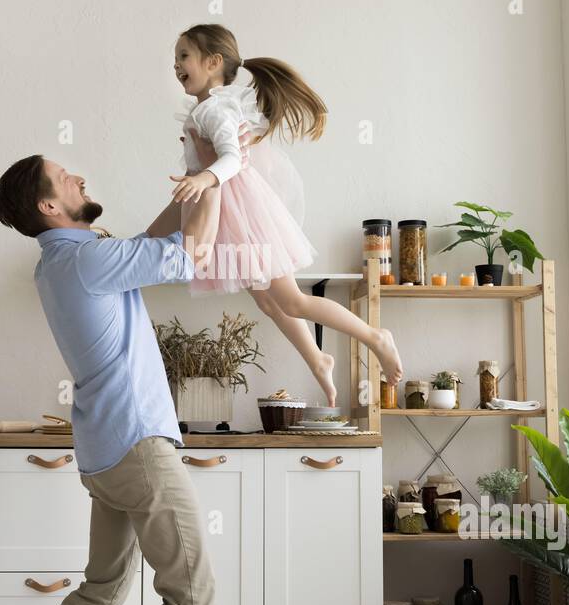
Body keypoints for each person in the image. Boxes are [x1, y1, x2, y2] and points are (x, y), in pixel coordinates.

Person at [0, 150, 223, 605]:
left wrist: (191, 183)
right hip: (139, 447)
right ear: (50, 204)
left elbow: (147, 241)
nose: (78, 176)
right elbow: (193, 255)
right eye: (64, 176)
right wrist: (219, 172)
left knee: (100, 591)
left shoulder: (63, 262)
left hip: (105, 453)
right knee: (192, 595)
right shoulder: (88, 261)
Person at [169, 23, 403, 408]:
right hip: (228, 216)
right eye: (174, 59)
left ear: (212, 62)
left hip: (242, 216)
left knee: (291, 301)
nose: (176, 66)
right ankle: (318, 358)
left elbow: (230, 158)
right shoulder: (205, 110)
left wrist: (205, 177)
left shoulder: (214, 110)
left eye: (183, 56)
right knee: (267, 301)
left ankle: (377, 338)